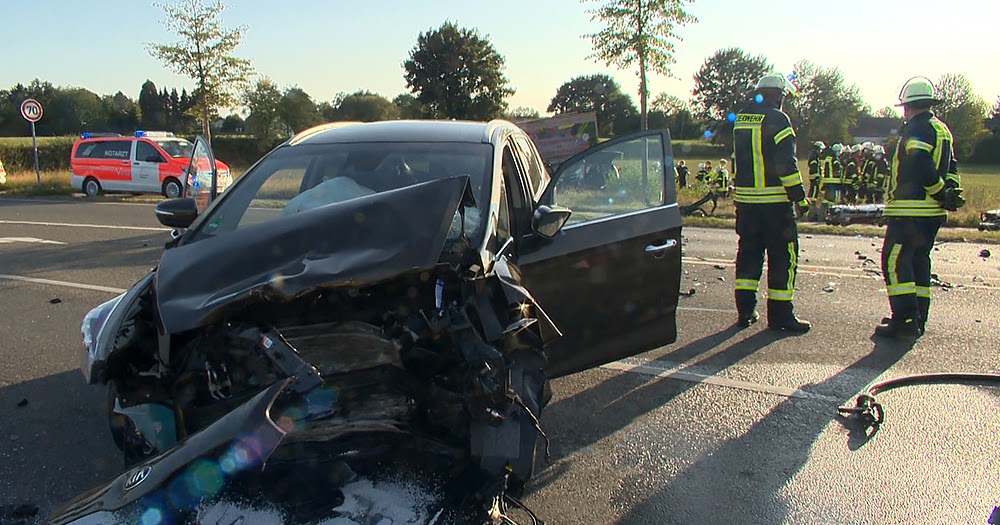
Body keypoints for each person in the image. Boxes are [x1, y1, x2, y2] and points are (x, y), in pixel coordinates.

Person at [876, 77, 964, 338]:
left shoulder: (917, 129)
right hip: (931, 215)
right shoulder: (941, 129)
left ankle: (903, 319)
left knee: (894, 261)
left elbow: (918, 163)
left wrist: (938, 191)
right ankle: (917, 317)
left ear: (907, 106)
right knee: (918, 262)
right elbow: (952, 167)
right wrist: (949, 193)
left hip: (911, 211)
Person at [731, 73, 811, 332]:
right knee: (782, 258)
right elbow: (785, 164)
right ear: (778, 94)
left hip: (746, 205)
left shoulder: (742, 119)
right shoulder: (779, 119)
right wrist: (800, 197)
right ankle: (780, 317)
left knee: (748, 256)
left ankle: (745, 312)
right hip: (776, 206)